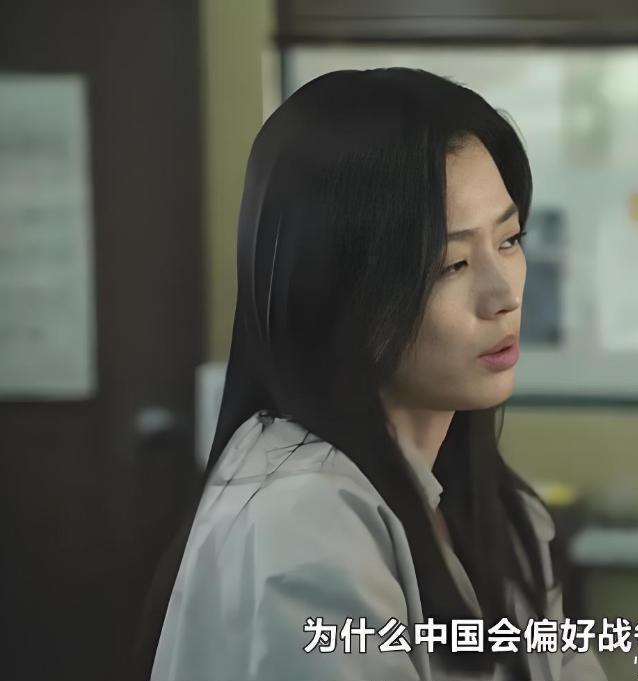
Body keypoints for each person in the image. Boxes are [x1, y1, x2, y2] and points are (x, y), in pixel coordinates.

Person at [141, 66, 607, 681]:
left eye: (509, 240)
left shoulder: (494, 507)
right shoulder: (302, 514)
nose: (504, 296)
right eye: (451, 264)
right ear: (338, 287)